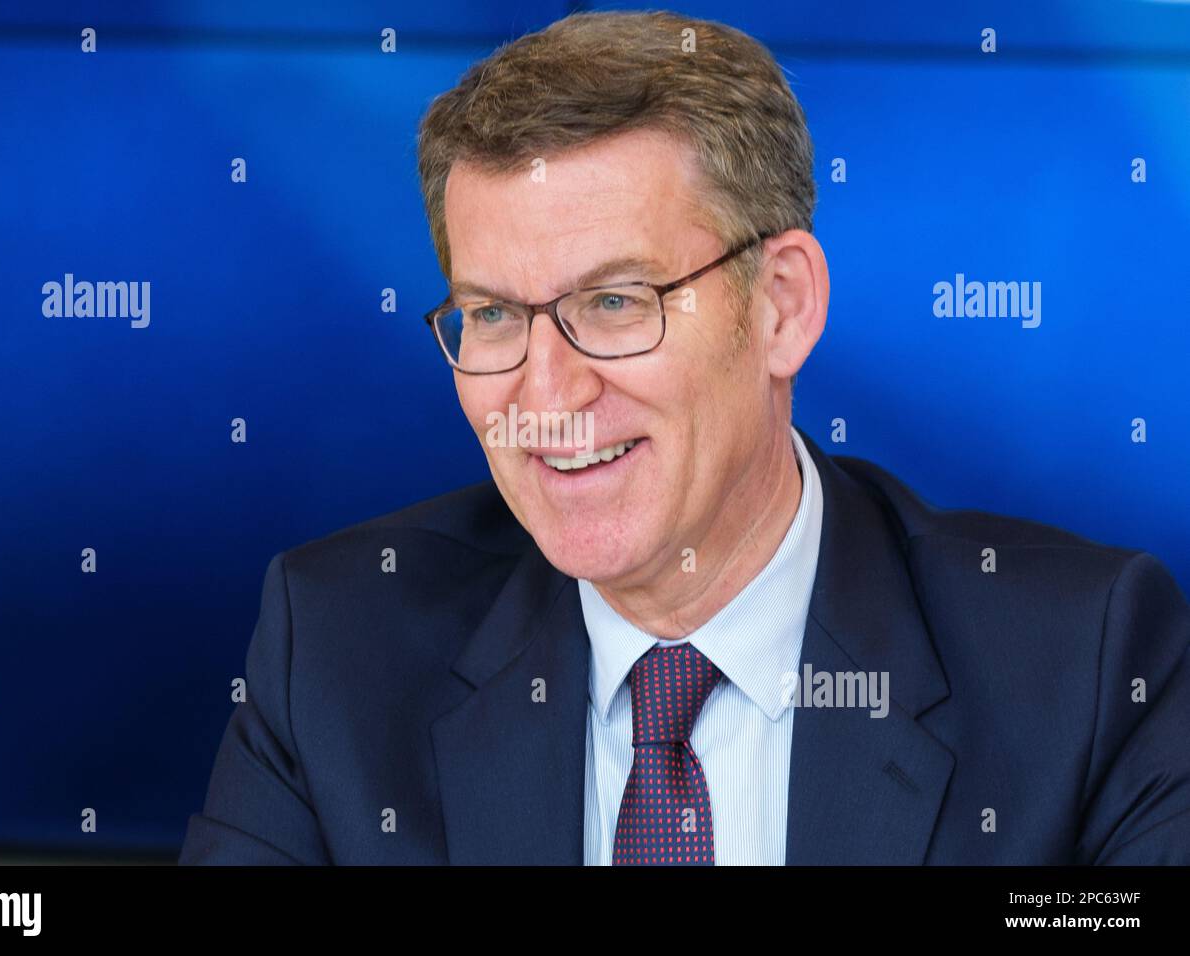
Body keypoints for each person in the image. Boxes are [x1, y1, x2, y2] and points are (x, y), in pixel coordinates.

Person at [180, 10, 1190, 865]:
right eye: (491, 315)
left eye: (615, 301)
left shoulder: (1087, 666)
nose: (546, 392)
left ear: (782, 307)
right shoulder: (338, 648)